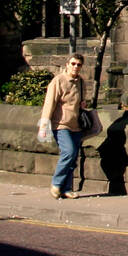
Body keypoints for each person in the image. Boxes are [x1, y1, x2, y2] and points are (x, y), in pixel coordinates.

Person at [39, 54, 87, 199]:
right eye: (73, 64)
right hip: (60, 124)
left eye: (78, 65)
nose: (75, 67)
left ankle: (66, 189)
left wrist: (84, 104)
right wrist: (43, 125)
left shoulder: (81, 82)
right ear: (67, 64)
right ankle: (56, 183)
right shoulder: (58, 81)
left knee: (73, 158)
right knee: (69, 152)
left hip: (76, 125)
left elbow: (81, 101)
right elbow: (49, 103)